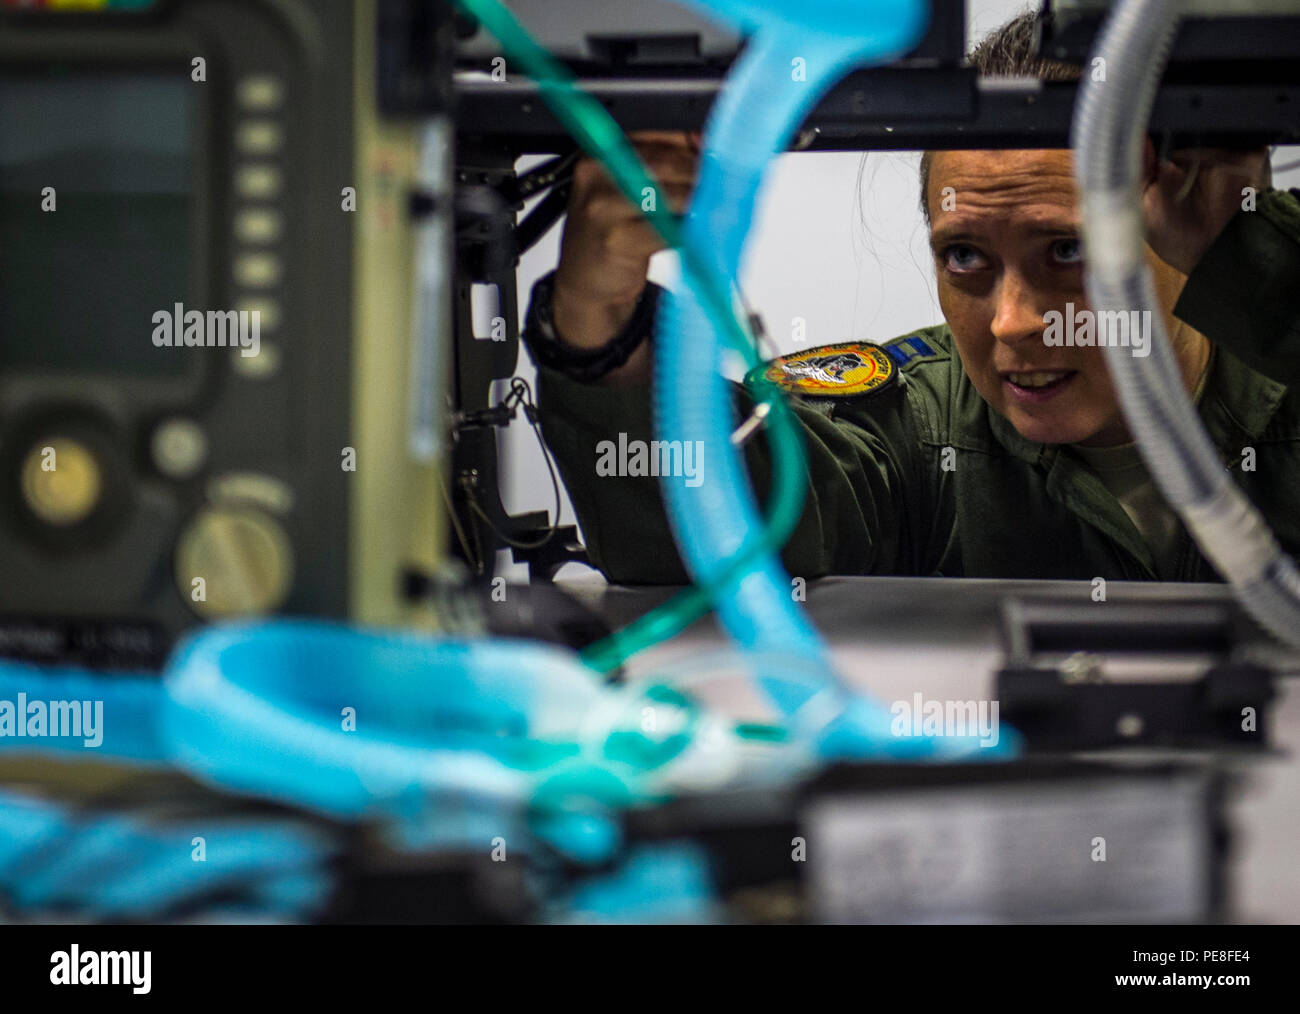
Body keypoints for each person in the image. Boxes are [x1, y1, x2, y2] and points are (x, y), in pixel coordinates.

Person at [520, 11, 1300, 585]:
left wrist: (1256, 264)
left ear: (1181, 229)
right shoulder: (917, 429)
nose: (1013, 322)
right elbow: (742, 519)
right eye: (965, 257)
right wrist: (599, 326)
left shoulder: (1281, 363)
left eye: (1068, 250)